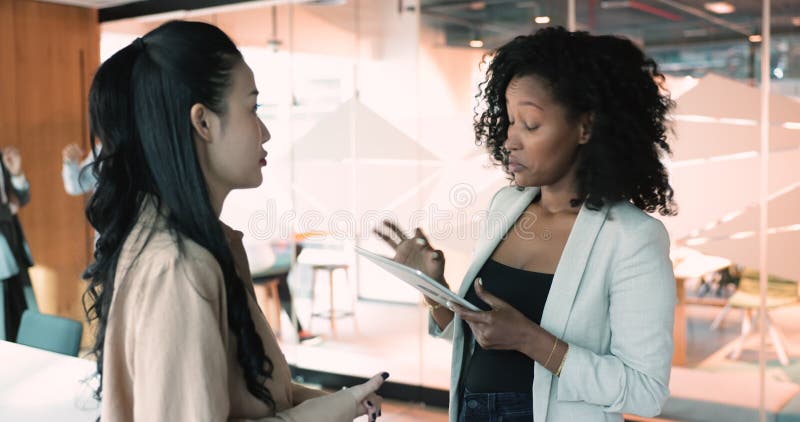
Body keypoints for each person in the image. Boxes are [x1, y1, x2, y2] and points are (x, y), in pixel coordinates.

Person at [82, 21, 386, 421]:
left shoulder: (197, 246)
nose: (265, 132)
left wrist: (339, 401)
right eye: (253, 108)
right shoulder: (179, 267)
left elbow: (241, 394)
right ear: (203, 122)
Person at [376, 27, 677, 422]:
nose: (509, 140)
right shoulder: (505, 206)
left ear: (585, 128)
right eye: (510, 120)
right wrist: (434, 291)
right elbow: (479, 341)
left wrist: (532, 341)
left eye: (530, 125)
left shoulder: (632, 238)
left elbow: (645, 393)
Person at [0, 146, 36, 342]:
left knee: (19, 313)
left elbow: (21, 198)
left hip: (12, 250)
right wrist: (8, 210)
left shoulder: (2, 158)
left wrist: (17, 174)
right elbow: (11, 206)